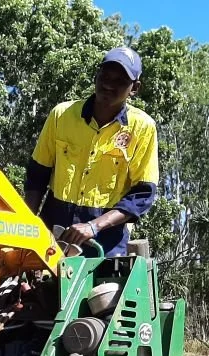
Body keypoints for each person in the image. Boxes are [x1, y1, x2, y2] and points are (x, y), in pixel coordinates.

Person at [24, 46, 159, 257]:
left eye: (120, 81)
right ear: (96, 76)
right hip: (53, 232)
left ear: (134, 88)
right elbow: (37, 175)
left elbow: (142, 195)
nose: (108, 84)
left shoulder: (142, 128)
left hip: (106, 242)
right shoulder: (62, 115)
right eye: (105, 76)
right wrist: (26, 225)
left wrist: (94, 226)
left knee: (107, 280)